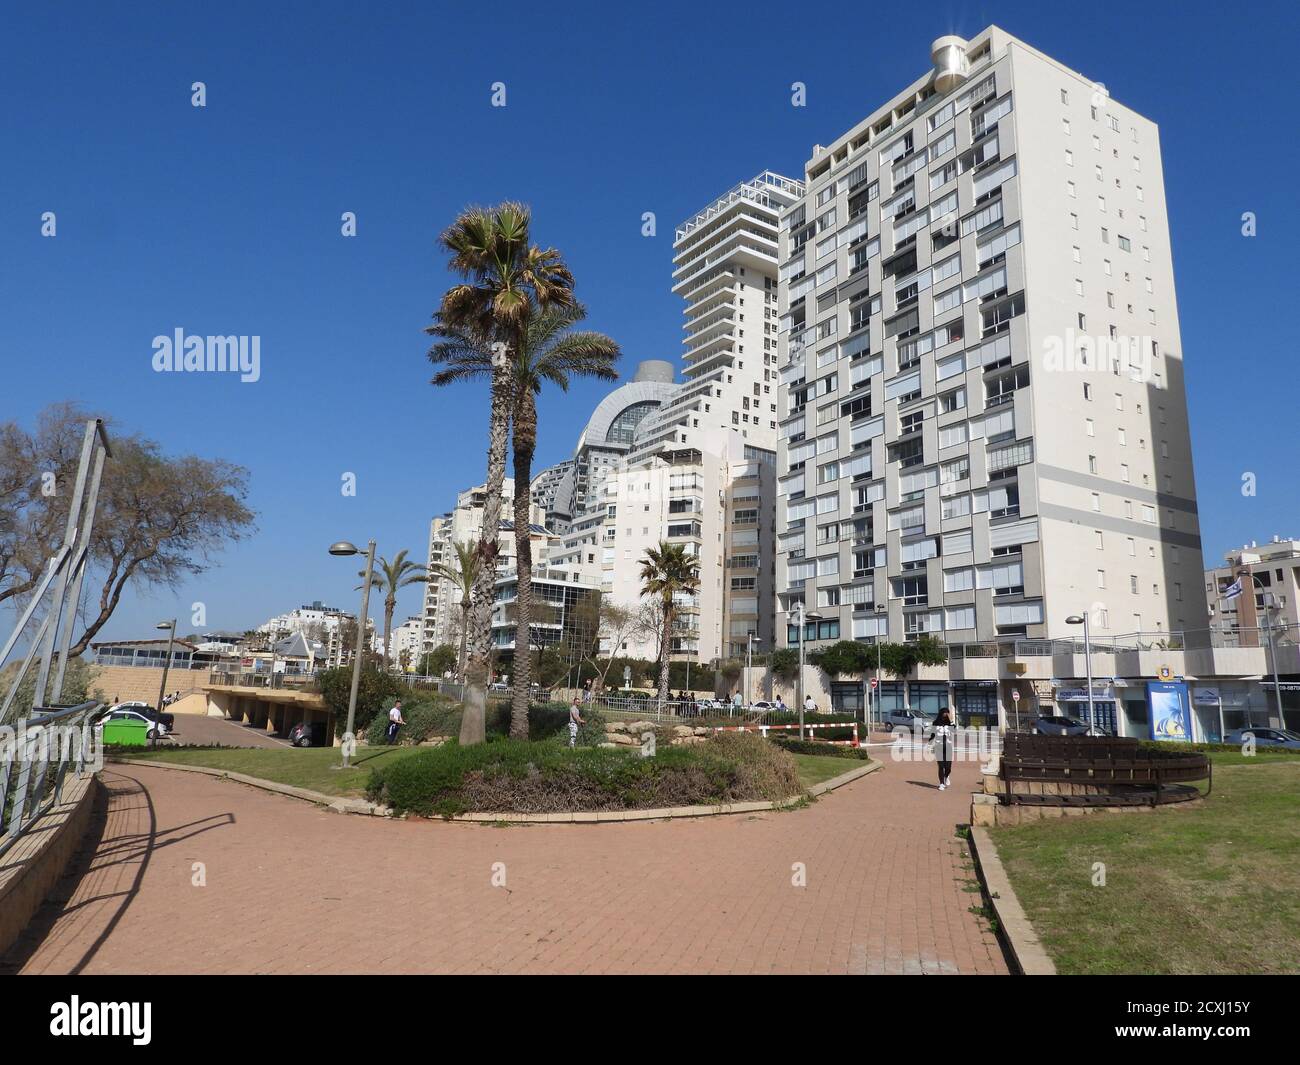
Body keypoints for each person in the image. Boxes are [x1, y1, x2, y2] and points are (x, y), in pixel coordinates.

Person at [932, 708, 956, 790]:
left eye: (947, 713)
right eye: (945, 713)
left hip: (948, 746)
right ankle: (941, 783)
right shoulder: (935, 723)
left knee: (948, 767)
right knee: (941, 766)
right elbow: (933, 735)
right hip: (939, 747)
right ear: (941, 713)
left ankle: (946, 776)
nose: (946, 714)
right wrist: (929, 745)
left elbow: (954, 731)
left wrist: (951, 720)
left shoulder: (950, 724)